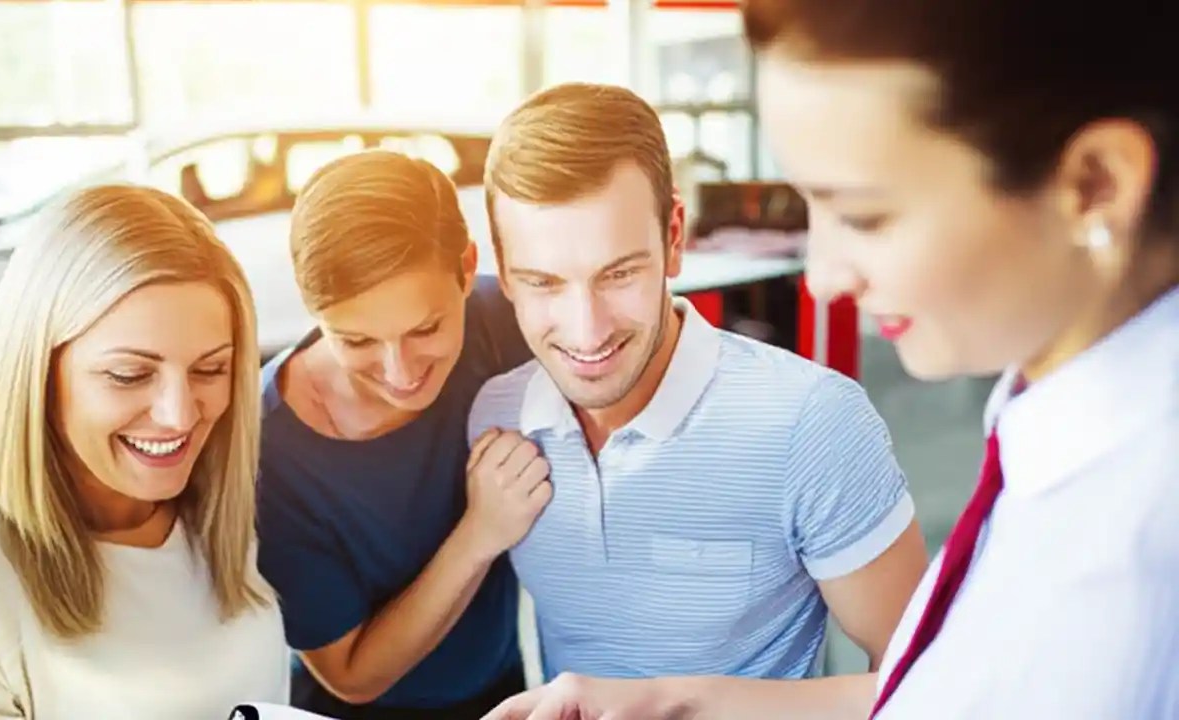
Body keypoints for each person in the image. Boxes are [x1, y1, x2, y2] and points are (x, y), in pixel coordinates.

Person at [485, 2, 1179, 718]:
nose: (821, 276)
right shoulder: (1049, 439)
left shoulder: (1142, 558)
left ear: (1096, 185)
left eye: (864, 215)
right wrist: (671, 700)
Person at [470, 81, 928, 716]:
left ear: (675, 236)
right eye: (543, 282)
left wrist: (676, 701)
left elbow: (935, 686)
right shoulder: (496, 418)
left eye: (619, 273)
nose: (587, 330)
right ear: (502, 265)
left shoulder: (813, 423)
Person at [0, 185, 289, 718]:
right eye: (129, 374)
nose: (180, 414)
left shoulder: (222, 509)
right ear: (37, 372)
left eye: (209, 369)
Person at [255, 150, 544, 720]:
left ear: (466, 268)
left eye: (426, 328)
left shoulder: (500, 322)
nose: (400, 371)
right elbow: (352, 676)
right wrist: (482, 531)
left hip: (502, 689)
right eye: (357, 341)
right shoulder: (270, 451)